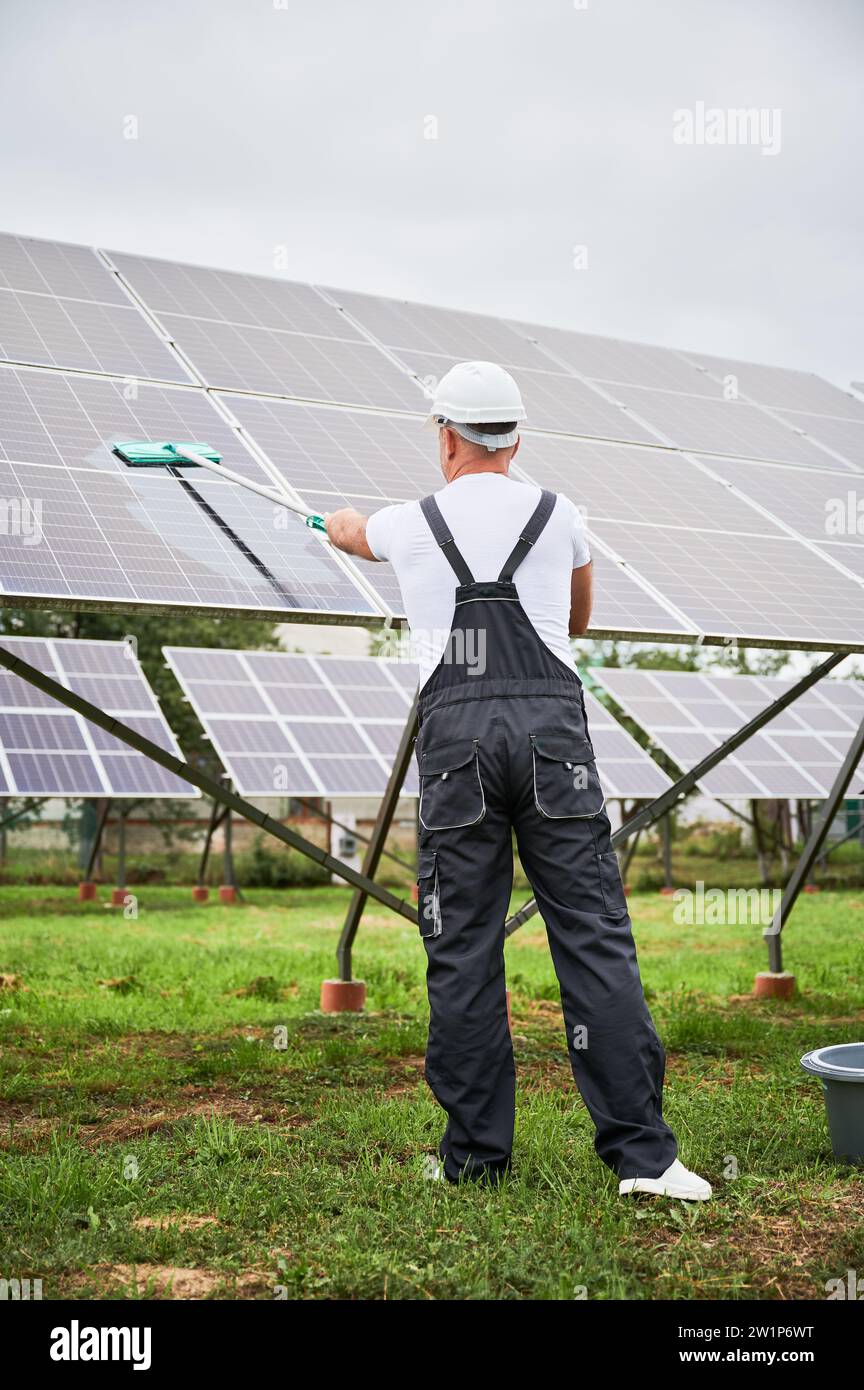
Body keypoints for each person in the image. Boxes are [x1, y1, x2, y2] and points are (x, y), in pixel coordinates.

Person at [325, 360, 710, 1200]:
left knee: (462, 947)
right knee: (592, 934)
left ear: (446, 438)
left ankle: (475, 1159)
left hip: (456, 741)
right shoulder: (560, 514)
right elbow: (576, 621)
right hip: (552, 741)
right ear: (516, 438)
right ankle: (645, 1160)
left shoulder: (410, 522)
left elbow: (355, 533)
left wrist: (338, 523)